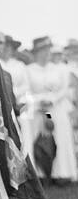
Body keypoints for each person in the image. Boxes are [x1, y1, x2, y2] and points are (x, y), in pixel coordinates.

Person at [25, 36, 76, 183]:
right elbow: (26, 90)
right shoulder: (29, 70)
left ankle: (61, 174)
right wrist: (38, 100)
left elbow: (64, 88)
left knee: (60, 137)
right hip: (37, 110)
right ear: (37, 52)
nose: (47, 53)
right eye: (43, 50)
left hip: (55, 108)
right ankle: (40, 174)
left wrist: (52, 99)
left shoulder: (59, 69)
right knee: (37, 138)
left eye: (48, 49)